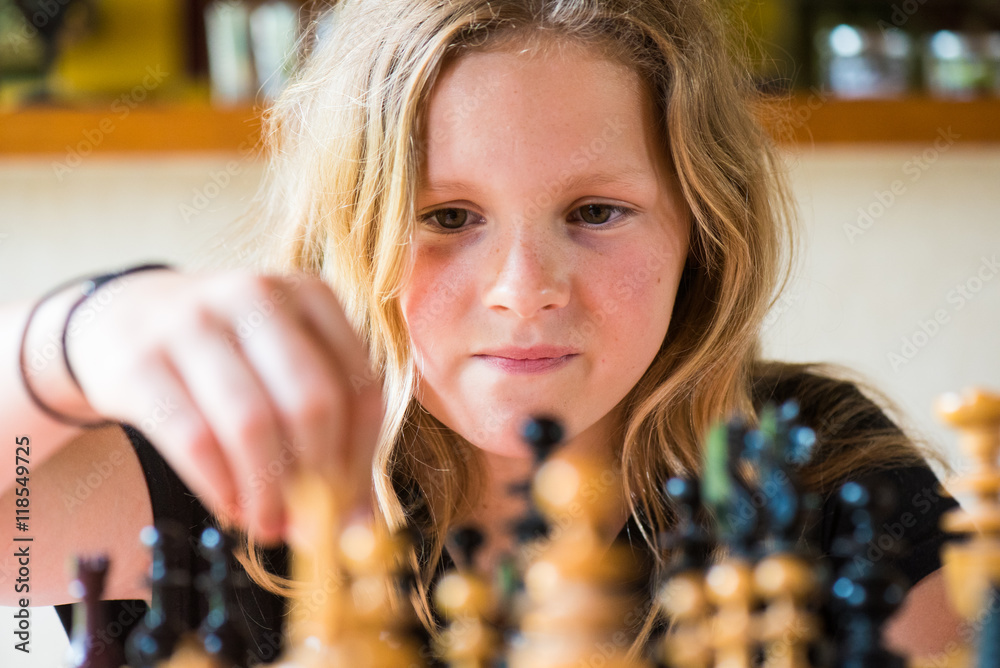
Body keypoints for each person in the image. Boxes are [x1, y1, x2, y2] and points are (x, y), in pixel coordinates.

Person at [0, 0, 964, 664]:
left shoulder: (826, 477)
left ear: (702, 227)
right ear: (353, 229)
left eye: (595, 211)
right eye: (448, 218)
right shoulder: (226, 461)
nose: (523, 291)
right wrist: (74, 337)